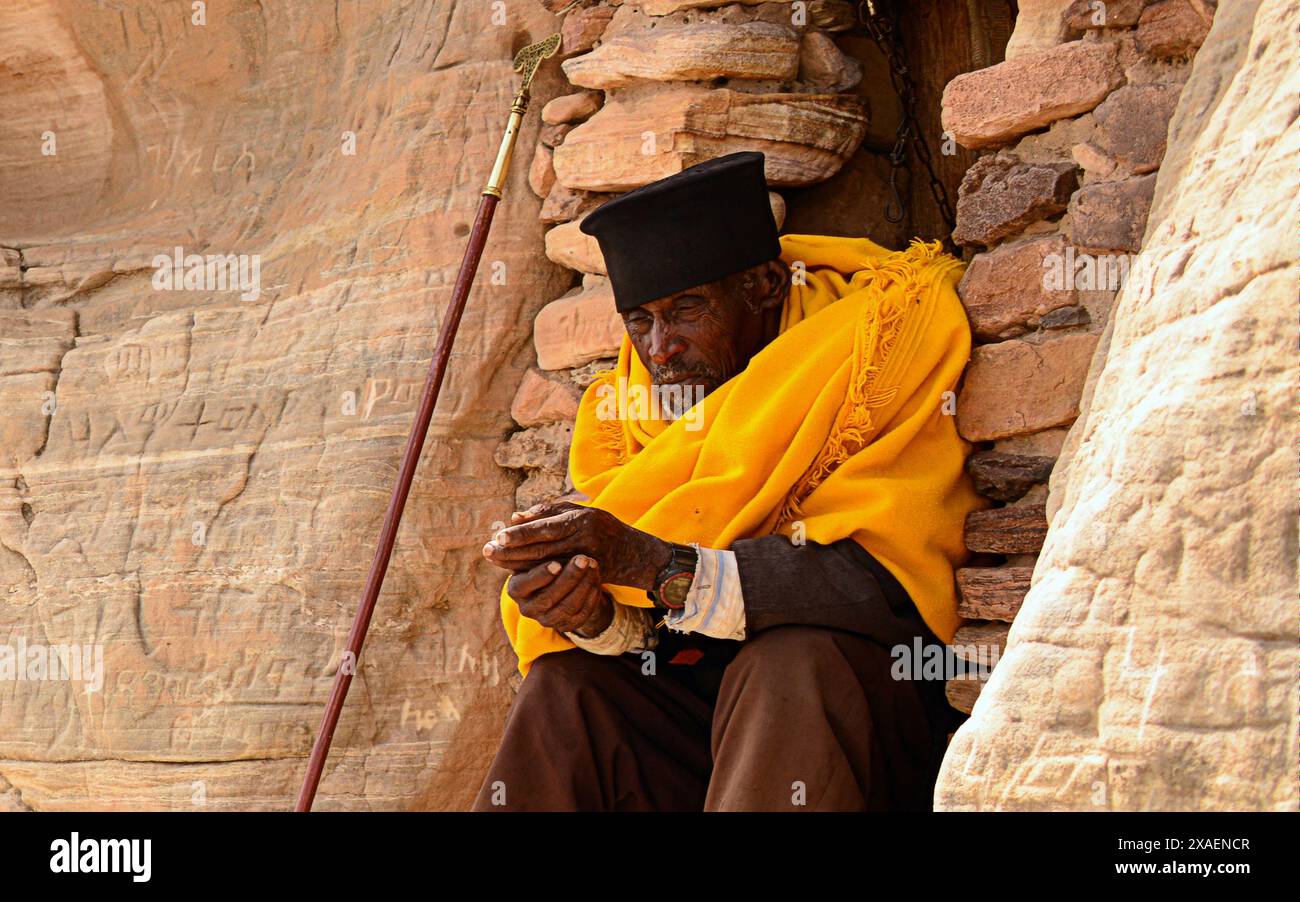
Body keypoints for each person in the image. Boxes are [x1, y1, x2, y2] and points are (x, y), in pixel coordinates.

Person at [472, 151, 985, 811]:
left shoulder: (875, 348)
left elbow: (883, 585)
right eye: (641, 321)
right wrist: (599, 618)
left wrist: (653, 559)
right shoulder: (621, 412)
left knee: (788, 661)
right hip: (711, 736)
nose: (660, 349)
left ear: (765, 286)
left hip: (865, 714)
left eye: (687, 310)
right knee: (568, 687)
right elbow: (658, 641)